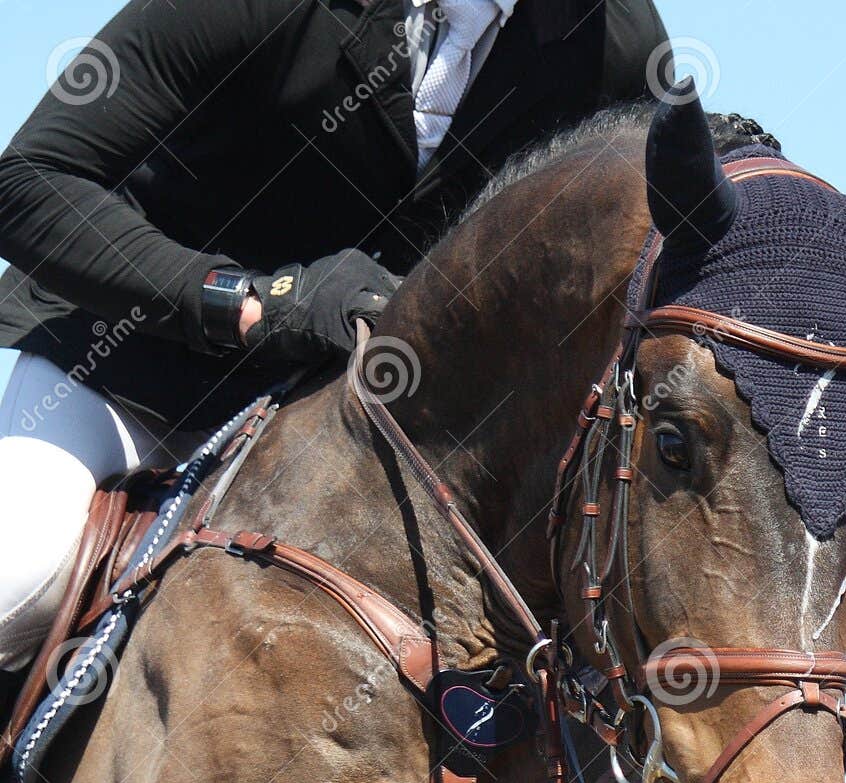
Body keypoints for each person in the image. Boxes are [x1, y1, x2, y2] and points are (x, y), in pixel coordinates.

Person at [0, 0, 669, 674]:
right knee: (17, 580)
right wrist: (250, 304)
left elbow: (681, 223)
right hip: (125, 376)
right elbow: (28, 180)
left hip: (358, 426)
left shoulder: (610, 36)